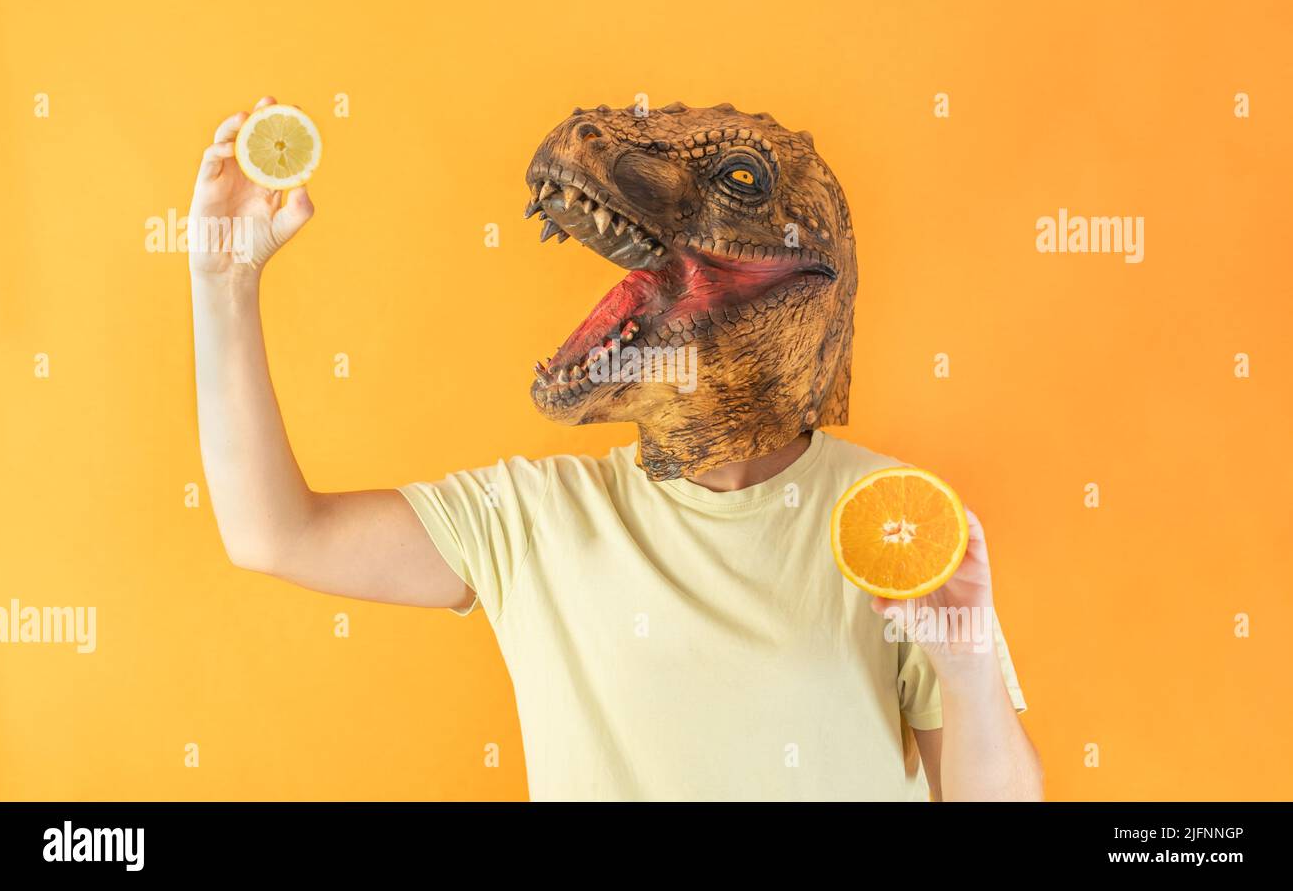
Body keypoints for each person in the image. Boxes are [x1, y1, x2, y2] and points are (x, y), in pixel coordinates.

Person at [189, 95, 1043, 801]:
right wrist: (223, 281)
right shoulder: (532, 519)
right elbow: (272, 534)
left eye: (739, 182)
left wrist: (966, 669)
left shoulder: (892, 520)